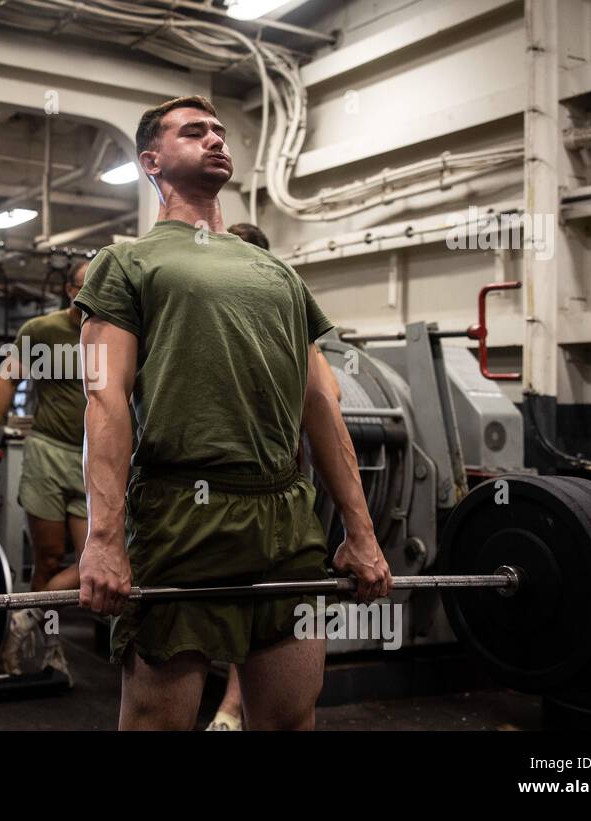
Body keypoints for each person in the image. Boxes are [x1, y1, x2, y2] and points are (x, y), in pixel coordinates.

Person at [74, 95, 391, 730]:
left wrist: (361, 533)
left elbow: (322, 406)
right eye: (194, 132)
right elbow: (105, 402)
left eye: (220, 130)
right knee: (156, 724)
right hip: (180, 517)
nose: (217, 139)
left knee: (287, 720)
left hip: (285, 517)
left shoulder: (278, 272)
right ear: (153, 161)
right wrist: (104, 539)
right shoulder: (128, 263)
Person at [203, 222, 343, 731]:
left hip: (276, 494)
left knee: (263, 611)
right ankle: (228, 705)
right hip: (204, 496)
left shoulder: (286, 315)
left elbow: (328, 400)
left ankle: (230, 708)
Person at [0, 260, 90, 681]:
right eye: (87, 286)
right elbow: (6, 380)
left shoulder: (119, 333)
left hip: (95, 460)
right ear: (70, 290)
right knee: (49, 559)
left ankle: (21, 618)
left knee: (91, 562)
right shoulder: (42, 330)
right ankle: (52, 650)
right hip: (49, 453)